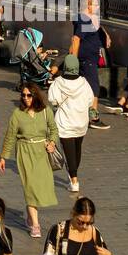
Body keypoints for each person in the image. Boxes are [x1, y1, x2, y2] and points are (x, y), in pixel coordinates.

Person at [0, 82, 59, 238]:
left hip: (42, 152)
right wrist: (4, 156)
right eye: (23, 95)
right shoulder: (17, 114)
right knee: (30, 186)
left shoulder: (46, 112)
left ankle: (30, 216)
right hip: (25, 152)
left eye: (29, 95)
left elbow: (54, 130)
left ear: (35, 96)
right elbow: (10, 136)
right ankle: (36, 225)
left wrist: (52, 143)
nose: (26, 98)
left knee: (39, 186)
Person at [48, 55, 93, 192]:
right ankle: (73, 174)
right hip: (81, 121)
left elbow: (52, 100)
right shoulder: (84, 82)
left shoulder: (58, 82)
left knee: (68, 152)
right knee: (77, 149)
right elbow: (90, 100)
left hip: (64, 122)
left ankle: (74, 180)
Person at [70, 0, 111, 129]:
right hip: (87, 59)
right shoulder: (84, 19)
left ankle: (80, 114)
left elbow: (95, 27)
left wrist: (105, 34)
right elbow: (76, 39)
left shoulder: (86, 19)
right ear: (88, 6)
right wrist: (73, 61)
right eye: (95, 5)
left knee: (83, 88)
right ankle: (93, 118)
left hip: (88, 58)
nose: (98, 7)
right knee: (94, 88)